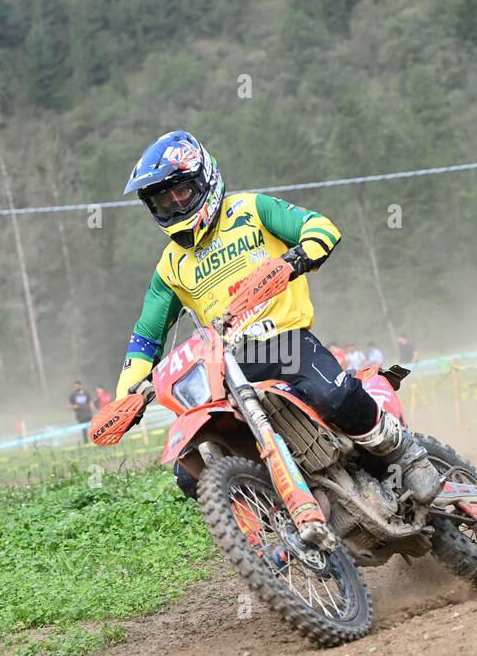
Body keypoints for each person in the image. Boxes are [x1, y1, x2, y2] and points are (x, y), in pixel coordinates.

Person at [115, 130, 442, 502]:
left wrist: (294, 260)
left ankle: (408, 456)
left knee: (331, 395)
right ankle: (272, 526)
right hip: (225, 365)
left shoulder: (250, 210)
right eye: (163, 199)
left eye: (182, 192)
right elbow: (147, 335)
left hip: (283, 341)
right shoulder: (170, 265)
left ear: (204, 180)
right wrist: (126, 396)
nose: (175, 204)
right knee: (191, 469)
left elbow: (320, 226)